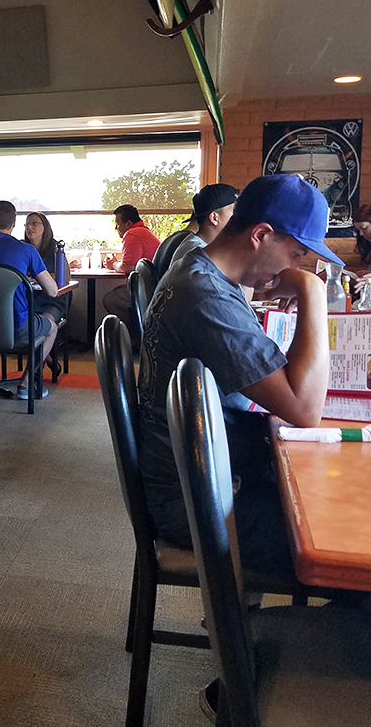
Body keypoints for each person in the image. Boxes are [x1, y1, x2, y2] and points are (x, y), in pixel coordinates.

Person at [138, 174, 339, 585]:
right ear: (261, 234)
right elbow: (305, 410)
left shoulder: (206, 275)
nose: (298, 266)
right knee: (342, 547)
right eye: (298, 253)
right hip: (201, 498)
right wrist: (312, 290)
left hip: (214, 471)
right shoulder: (205, 295)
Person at [0, 200, 58, 399]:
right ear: (15, 223)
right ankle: (25, 385)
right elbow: (52, 292)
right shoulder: (26, 250)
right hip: (18, 326)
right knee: (52, 328)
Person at [103, 204, 160, 328]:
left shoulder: (132, 234)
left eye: (118, 224)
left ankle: (135, 335)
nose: (116, 228)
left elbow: (128, 267)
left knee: (110, 299)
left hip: (149, 289)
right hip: (154, 285)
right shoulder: (143, 231)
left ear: (128, 223)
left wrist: (113, 264)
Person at [169, 182, 239, 264]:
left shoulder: (200, 247)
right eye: (234, 210)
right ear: (214, 218)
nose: (239, 216)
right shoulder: (198, 254)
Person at [23, 211, 70, 323]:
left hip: (52, 300)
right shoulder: (22, 247)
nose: (30, 227)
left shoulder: (55, 247)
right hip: (28, 298)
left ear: (45, 227)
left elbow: (65, 277)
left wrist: (38, 277)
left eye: (34, 223)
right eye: (27, 224)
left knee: (45, 321)